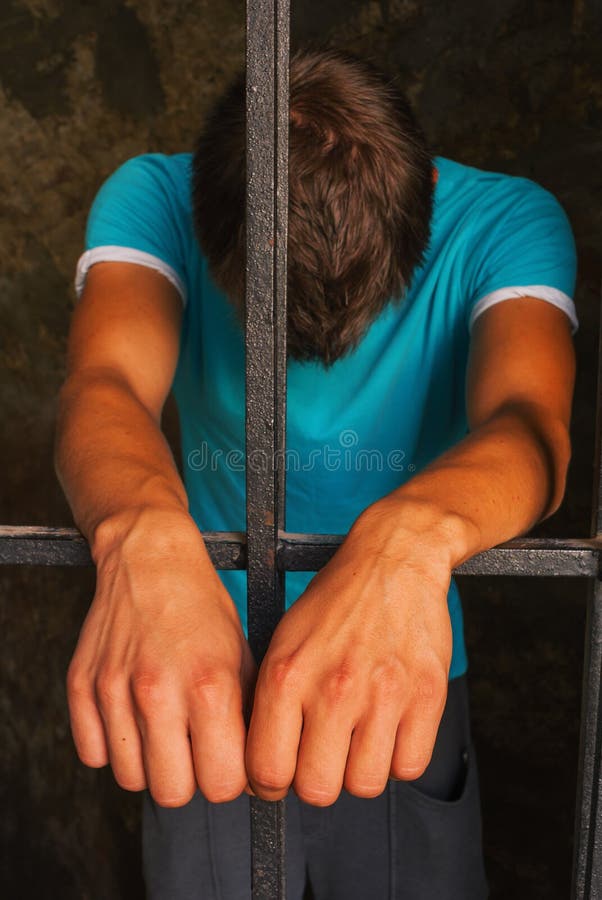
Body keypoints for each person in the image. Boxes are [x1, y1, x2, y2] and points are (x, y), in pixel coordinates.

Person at [55, 46, 577, 899]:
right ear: (207, 224)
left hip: (402, 667)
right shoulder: (152, 197)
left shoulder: (506, 220)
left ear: (422, 215)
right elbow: (105, 385)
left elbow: (530, 426)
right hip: (194, 666)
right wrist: (136, 535)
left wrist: (404, 542)